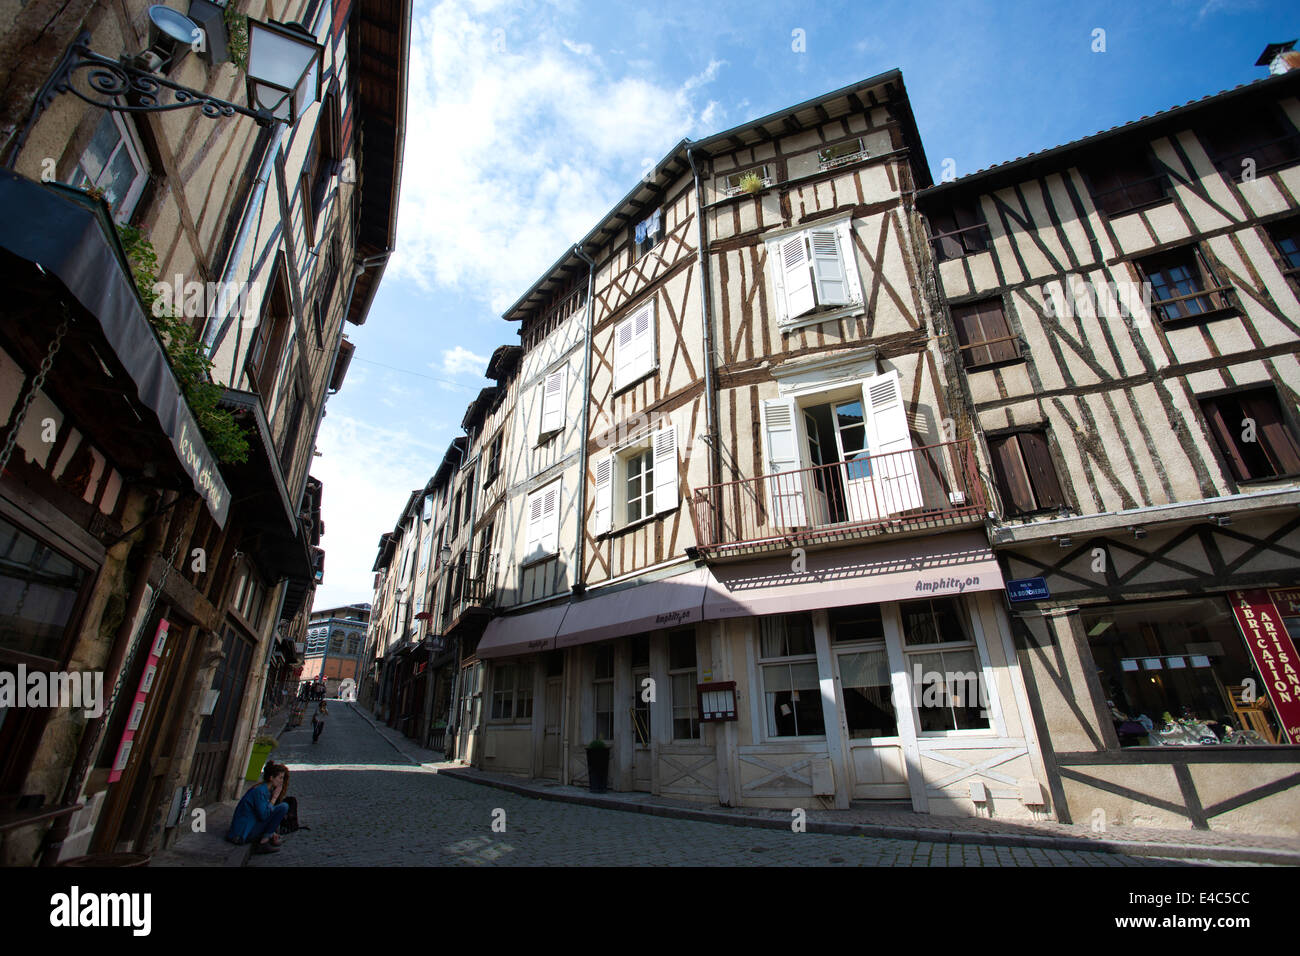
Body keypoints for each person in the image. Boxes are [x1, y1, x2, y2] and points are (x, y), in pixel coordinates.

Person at [227, 763, 290, 853]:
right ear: (271, 778)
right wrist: (274, 798)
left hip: (249, 827)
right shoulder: (260, 791)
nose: (282, 781)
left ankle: (269, 837)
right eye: (280, 778)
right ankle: (263, 842)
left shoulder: (264, 790)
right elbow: (264, 815)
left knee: (281, 807)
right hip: (242, 834)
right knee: (283, 807)